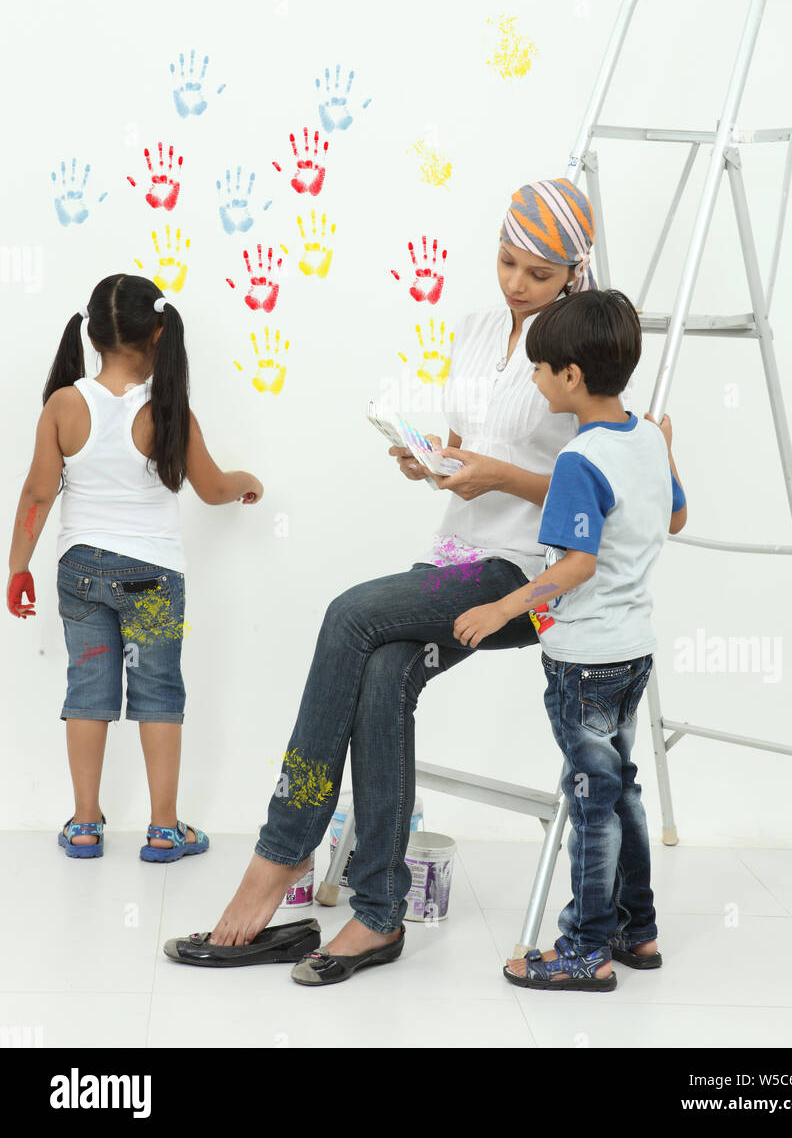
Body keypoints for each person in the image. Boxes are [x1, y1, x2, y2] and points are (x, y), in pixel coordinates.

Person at [163, 177, 600, 983]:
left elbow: (597, 490)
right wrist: (430, 462)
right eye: (507, 261)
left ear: (572, 273)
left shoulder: (583, 347)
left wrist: (501, 476)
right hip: (456, 558)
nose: (515, 284)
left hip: (529, 578)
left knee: (348, 616)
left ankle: (279, 857)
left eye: (538, 274)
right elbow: (475, 450)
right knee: (384, 675)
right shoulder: (475, 329)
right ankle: (376, 916)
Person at [453, 288, 687, 990]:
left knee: (592, 804)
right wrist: (667, 455)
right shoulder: (646, 435)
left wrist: (503, 608)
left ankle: (585, 951)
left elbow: (577, 564)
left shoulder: (578, 463)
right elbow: (675, 518)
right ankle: (636, 932)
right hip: (634, 649)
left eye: (538, 369)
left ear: (571, 378)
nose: (532, 379)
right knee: (621, 795)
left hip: (585, 659)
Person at [6, 274, 263, 861]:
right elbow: (214, 487)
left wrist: (18, 568)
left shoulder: (65, 404)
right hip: (153, 579)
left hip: (80, 575)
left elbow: (37, 495)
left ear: (92, 334)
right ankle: (164, 829)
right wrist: (247, 483)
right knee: (157, 692)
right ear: (158, 333)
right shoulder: (168, 411)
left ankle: (86, 824)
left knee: (88, 690)